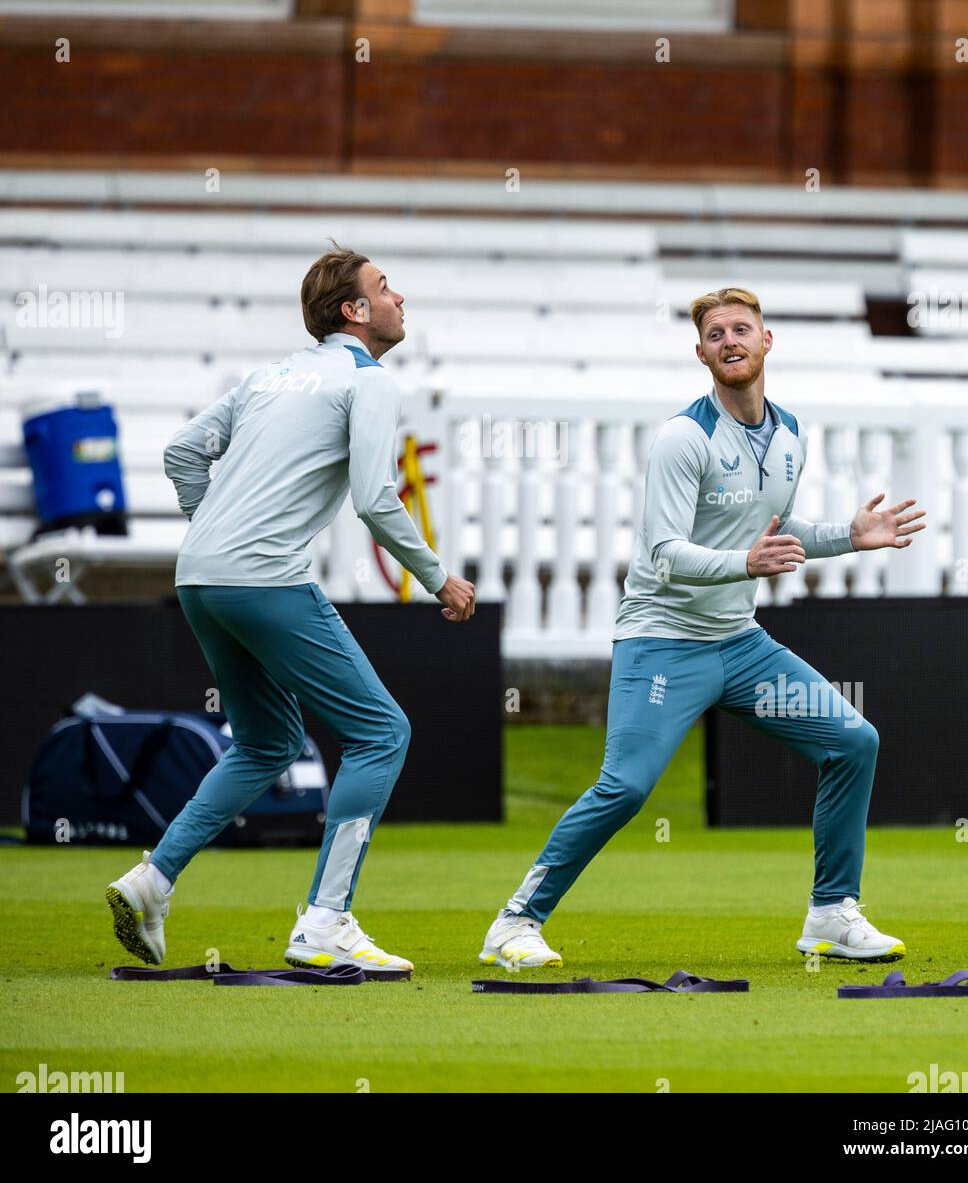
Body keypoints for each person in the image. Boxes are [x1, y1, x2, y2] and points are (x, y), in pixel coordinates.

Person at [480, 286, 924, 972]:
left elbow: (775, 531)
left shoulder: (790, 434)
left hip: (741, 649)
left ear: (767, 341)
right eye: (715, 334)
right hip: (661, 642)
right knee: (625, 788)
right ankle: (514, 922)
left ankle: (832, 915)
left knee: (851, 741)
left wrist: (850, 536)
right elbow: (663, 554)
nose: (730, 341)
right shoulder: (683, 438)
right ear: (701, 353)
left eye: (742, 329)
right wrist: (743, 562)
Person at [106, 247, 475, 973]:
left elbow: (183, 451)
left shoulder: (267, 375)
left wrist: (212, 526)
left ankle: (151, 881)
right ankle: (325, 922)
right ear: (354, 311)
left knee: (266, 743)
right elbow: (374, 498)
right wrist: (438, 578)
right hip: (263, 578)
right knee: (382, 731)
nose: (400, 298)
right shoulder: (367, 381)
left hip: (200, 578)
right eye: (384, 287)